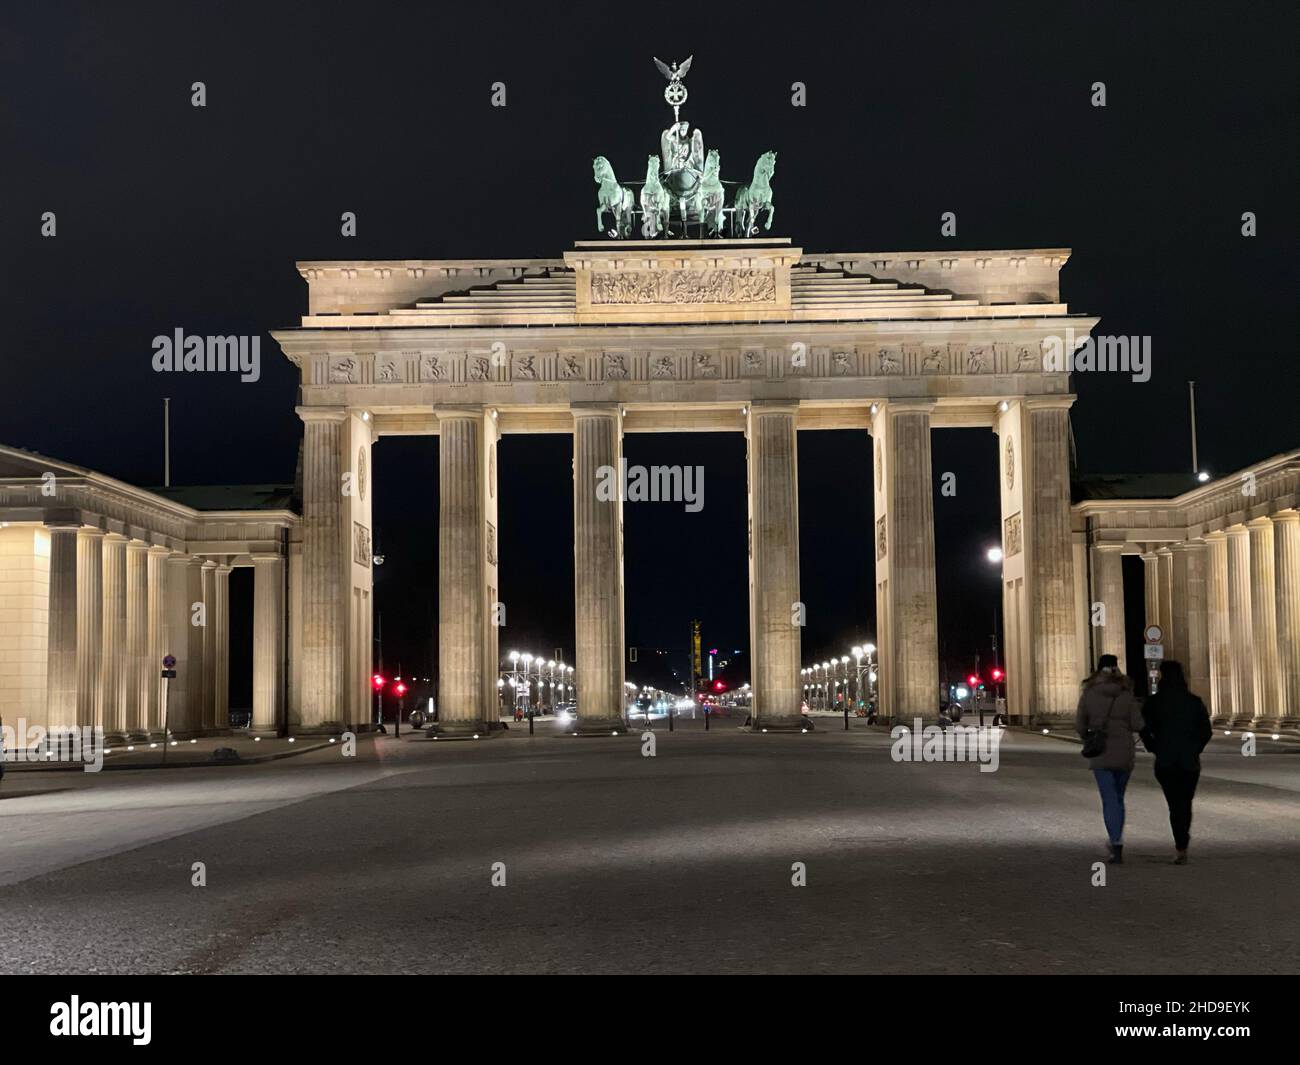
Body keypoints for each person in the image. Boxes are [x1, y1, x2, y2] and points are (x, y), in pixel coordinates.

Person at [1139, 660, 1212, 864]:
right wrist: (1195, 748)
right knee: (1185, 803)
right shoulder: (1194, 702)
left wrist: (1154, 746)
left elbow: (1142, 727)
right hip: (1189, 761)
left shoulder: (1155, 702)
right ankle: (1183, 844)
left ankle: (1180, 845)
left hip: (1166, 760)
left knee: (1174, 805)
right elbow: (1206, 731)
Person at [1076, 654, 1144, 863]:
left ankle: (1116, 841)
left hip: (1101, 751)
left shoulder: (1089, 692)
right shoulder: (1126, 692)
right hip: (1124, 751)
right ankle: (1117, 838)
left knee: (1109, 798)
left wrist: (1089, 736)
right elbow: (1138, 724)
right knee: (1119, 798)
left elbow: (1080, 723)